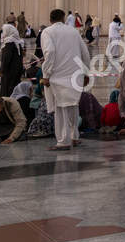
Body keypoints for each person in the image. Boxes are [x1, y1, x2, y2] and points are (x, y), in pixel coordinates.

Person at [38, 8, 90, 151]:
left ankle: (63, 141)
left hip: (57, 76)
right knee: (73, 105)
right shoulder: (73, 31)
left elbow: (50, 52)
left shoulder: (47, 32)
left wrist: (46, 75)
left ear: (50, 19)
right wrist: (86, 73)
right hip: (75, 76)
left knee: (60, 108)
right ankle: (74, 136)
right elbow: (85, 53)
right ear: (63, 18)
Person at [0, 23, 25, 96]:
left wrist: (1, 70)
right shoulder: (17, 42)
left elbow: (6, 58)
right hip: (16, 71)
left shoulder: (9, 43)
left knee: (7, 90)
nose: (3, 33)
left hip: (9, 72)